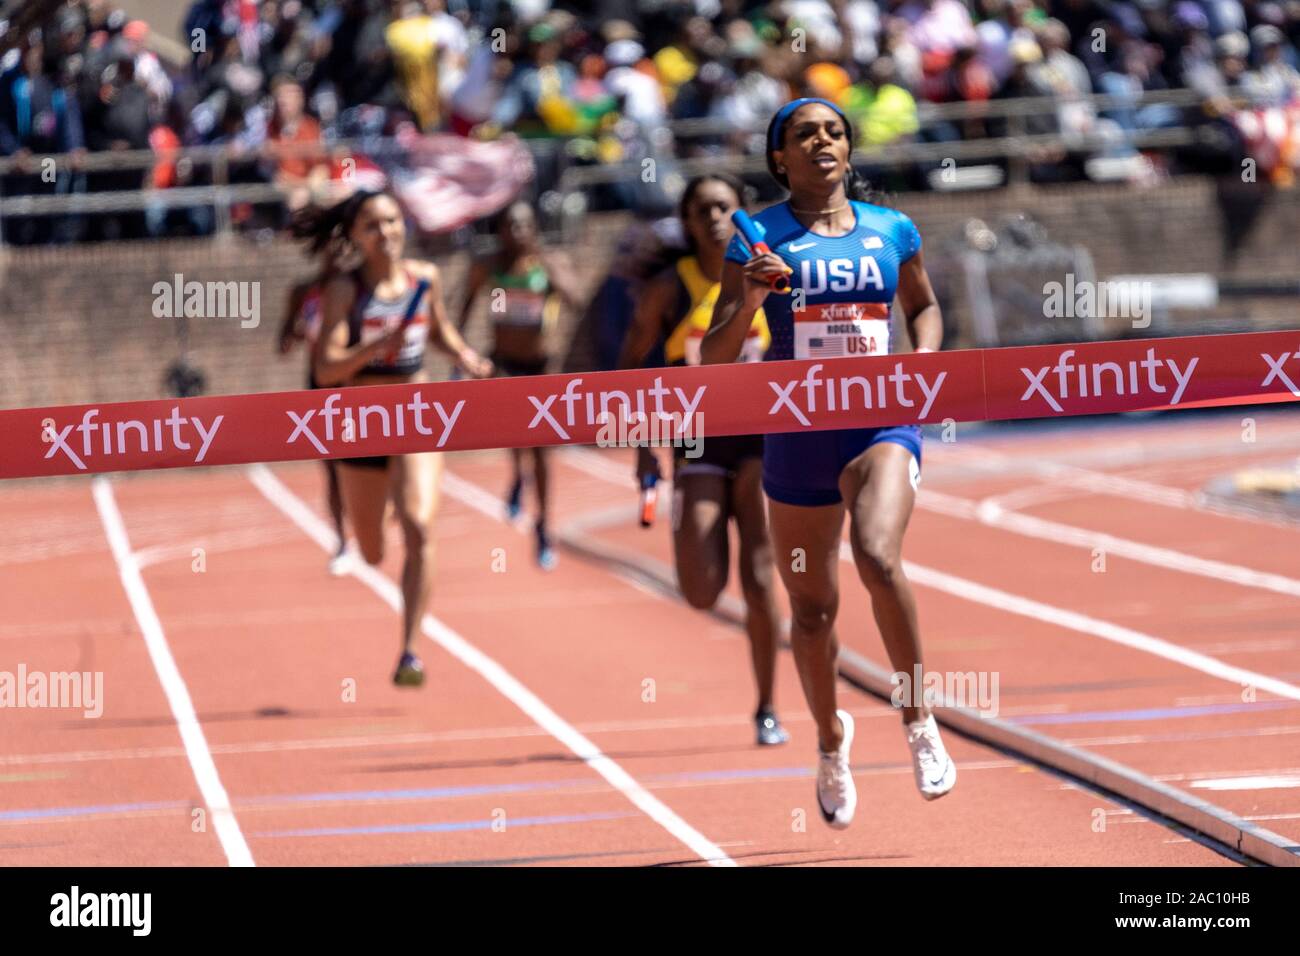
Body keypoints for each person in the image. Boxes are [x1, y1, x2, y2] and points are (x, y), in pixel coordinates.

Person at [703, 98, 958, 828]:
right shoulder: (758, 238)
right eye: (803, 134)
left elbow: (926, 307)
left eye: (834, 131)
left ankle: (918, 721)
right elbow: (713, 360)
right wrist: (751, 293)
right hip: (796, 431)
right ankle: (829, 740)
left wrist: (924, 364)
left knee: (879, 557)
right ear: (779, 157)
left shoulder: (891, 228)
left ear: (849, 149)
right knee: (812, 613)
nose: (822, 141)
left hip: (881, 421)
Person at [618, 173, 788, 747]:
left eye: (725, 206)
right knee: (700, 590)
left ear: (743, 212)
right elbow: (636, 369)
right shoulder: (673, 285)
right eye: (702, 210)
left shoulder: (772, 272)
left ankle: (767, 706)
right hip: (694, 435)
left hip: (762, 435)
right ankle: (686, 528)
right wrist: (644, 447)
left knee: (761, 574)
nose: (715, 218)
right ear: (687, 223)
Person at [299, 189, 493, 686]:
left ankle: (410, 649)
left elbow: (441, 333)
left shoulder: (424, 278)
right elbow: (325, 368)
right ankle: (382, 504)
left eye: (391, 221)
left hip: (414, 413)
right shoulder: (345, 290)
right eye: (371, 225)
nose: (384, 233)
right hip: (361, 421)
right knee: (372, 552)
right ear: (356, 237)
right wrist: (372, 348)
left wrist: (465, 357)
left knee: (421, 527)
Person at [456, 200, 582, 570]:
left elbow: (576, 299)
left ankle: (544, 526)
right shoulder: (489, 266)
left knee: (543, 448)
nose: (517, 233)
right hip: (504, 363)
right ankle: (516, 475)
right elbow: (462, 309)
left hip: (540, 367)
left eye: (524, 226)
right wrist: (461, 356)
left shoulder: (550, 262)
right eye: (510, 226)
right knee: (514, 435)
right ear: (500, 231)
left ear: (535, 230)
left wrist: (554, 278)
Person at [277, 237, 354, 574]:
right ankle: (341, 540)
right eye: (331, 248)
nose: (337, 256)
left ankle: (374, 518)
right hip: (320, 388)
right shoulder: (303, 291)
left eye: (344, 249)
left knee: (371, 462)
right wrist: (295, 334)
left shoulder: (358, 288)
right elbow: (282, 344)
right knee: (333, 470)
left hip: (357, 387)